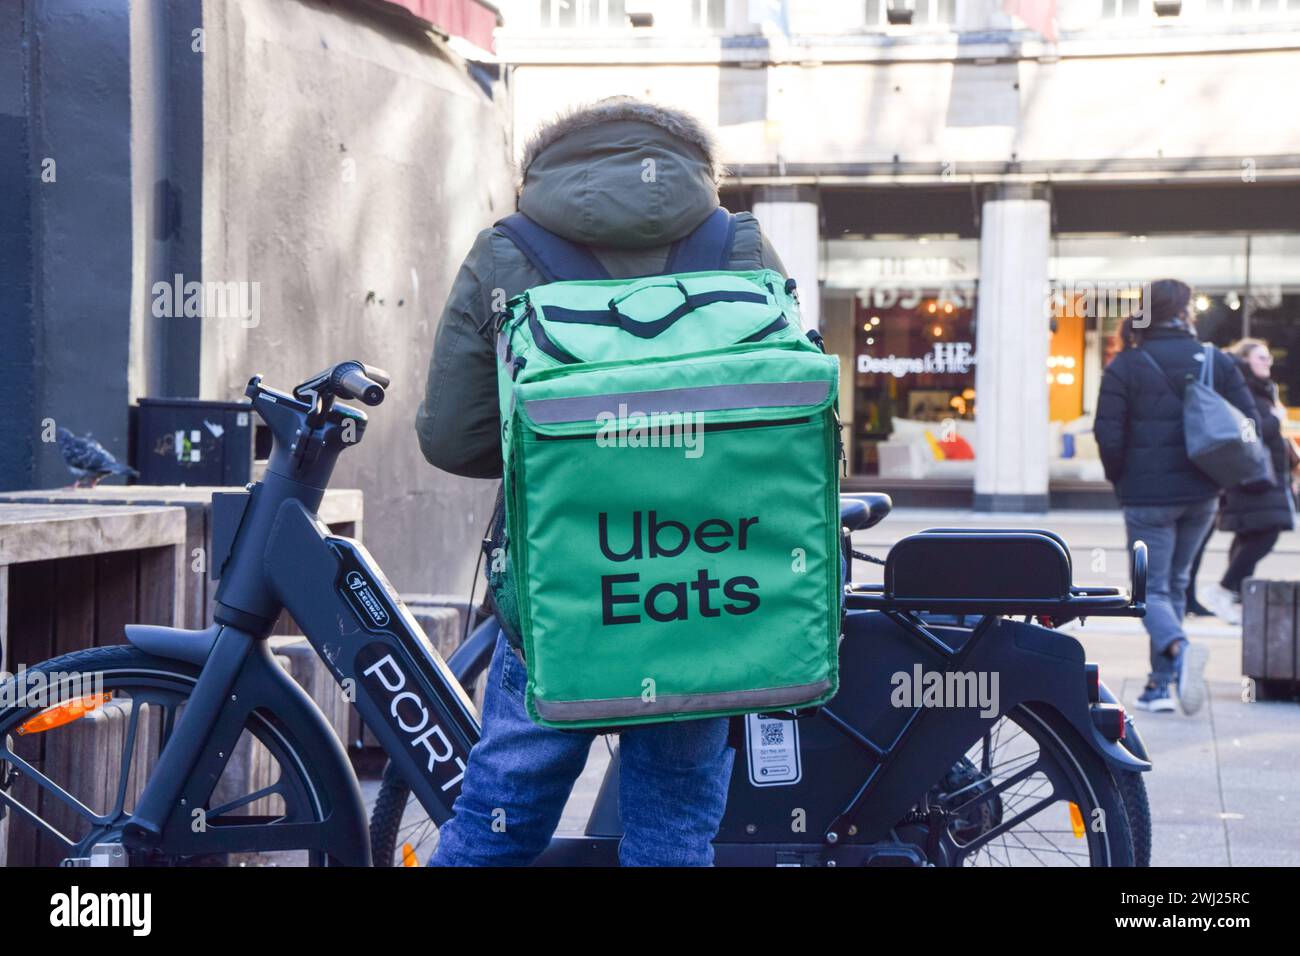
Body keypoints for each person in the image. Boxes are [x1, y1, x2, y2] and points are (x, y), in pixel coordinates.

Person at [414, 98, 788, 865]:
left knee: (497, 821)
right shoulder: (739, 244)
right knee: (672, 833)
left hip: (561, 583)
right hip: (700, 580)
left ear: (547, 165)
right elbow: (780, 418)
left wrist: (560, 445)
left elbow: (452, 437)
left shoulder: (505, 251)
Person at [1094, 280, 1261, 715]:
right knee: (1175, 585)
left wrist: (1122, 480)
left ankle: (1179, 651)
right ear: (1185, 312)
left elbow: (1107, 434)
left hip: (1146, 497)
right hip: (1203, 492)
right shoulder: (1215, 360)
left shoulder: (1126, 364)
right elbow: (1251, 423)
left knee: (1150, 591)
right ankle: (1158, 686)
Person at [1200, 339, 1296, 624]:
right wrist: (1275, 420)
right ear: (1245, 360)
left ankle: (1236, 598)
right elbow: (1248, 430)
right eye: (1261, 358)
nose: (1267, 363)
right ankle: (1223, 590)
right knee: (1266, 533)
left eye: (1269, 358)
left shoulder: (1261, 389)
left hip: (1263, 475)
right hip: (1252, 476)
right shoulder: (1242, 390)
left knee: (1251, 535)